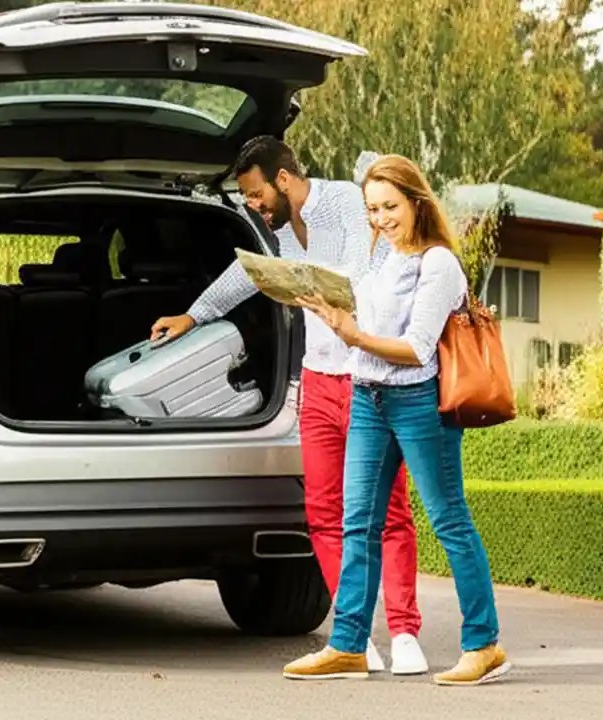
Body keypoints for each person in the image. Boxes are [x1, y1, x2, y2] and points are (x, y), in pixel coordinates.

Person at [150, 137, 428, 675]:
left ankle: (405, 630)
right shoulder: (280, 232)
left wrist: (310, 288)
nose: (252, 205)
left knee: (386, 512)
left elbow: (359, 279)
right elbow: (247, 276)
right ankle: (354, 636)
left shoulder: (349, 202)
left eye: (254, 194)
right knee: (323, 512)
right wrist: (194, 315)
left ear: (282, 179)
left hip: (371, 378)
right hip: (319, 382)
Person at [285, 154, 509, 685]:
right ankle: (348, 646)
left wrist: (352, 334)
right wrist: (327, 310)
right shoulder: (382, 260)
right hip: (369, 399)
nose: (380, 218)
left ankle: (485, 644)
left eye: (389, 206)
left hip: (417, 404)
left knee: (449, 520)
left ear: (416, 201)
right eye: (372, 209)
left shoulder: (438, 264)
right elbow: (366, 321)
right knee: (356, 523)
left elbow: (415, 348)